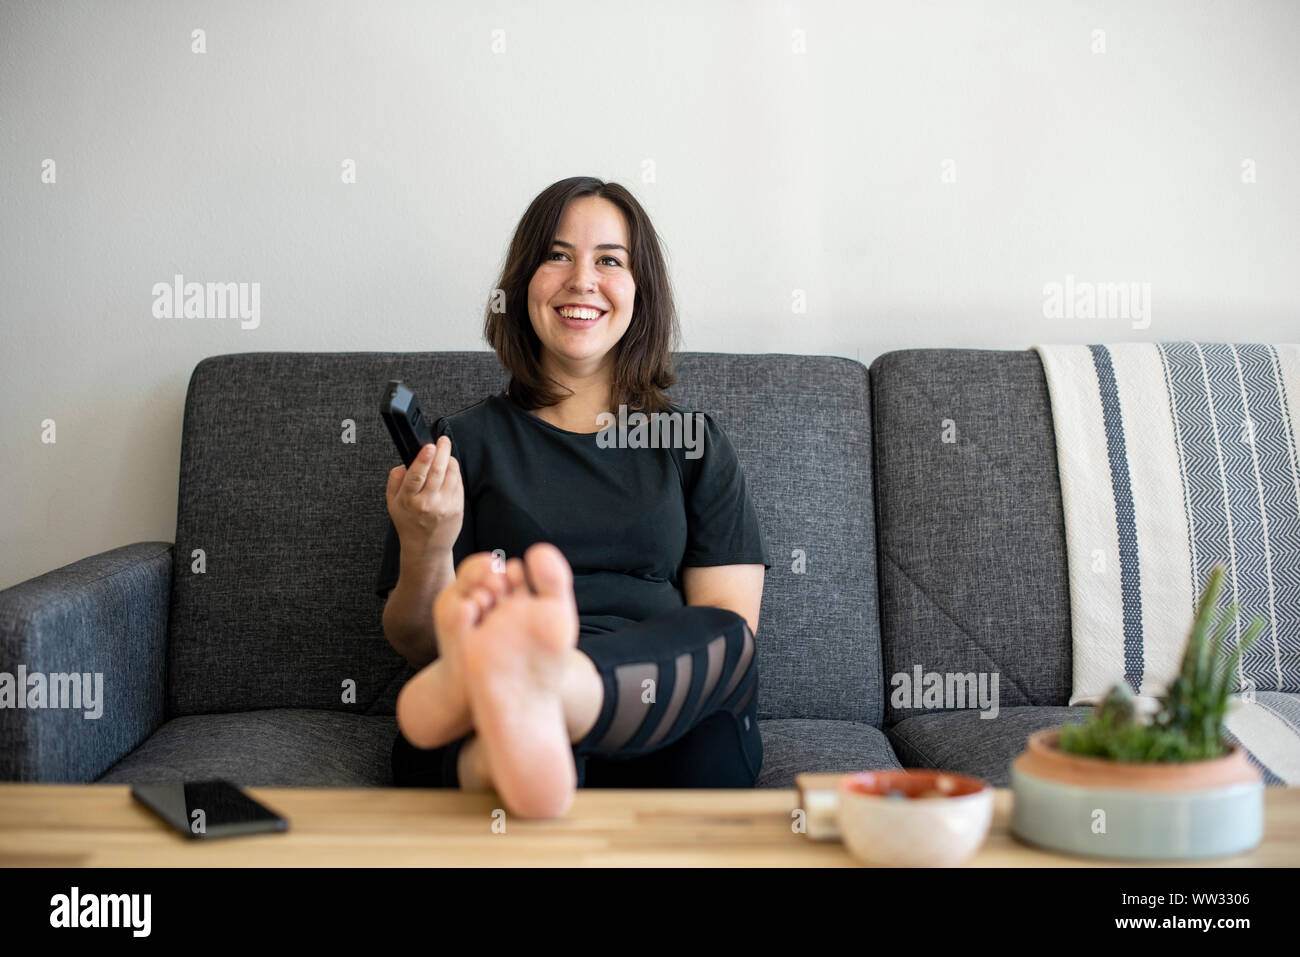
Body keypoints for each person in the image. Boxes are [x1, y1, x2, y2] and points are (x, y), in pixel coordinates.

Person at [375, 176, 770, 819]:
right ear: (522, 282)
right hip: (503, 676)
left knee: (724, 648)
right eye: (558, 255)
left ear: (641, 293)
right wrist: (426, 545)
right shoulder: (460, 448)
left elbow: (728, 632)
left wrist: (570, 679)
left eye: (609, 260)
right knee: (476, 701)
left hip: (663, 704)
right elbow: (419, 644)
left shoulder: (690, 443)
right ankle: (521, 719)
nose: (582, 279)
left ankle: (541, 703)